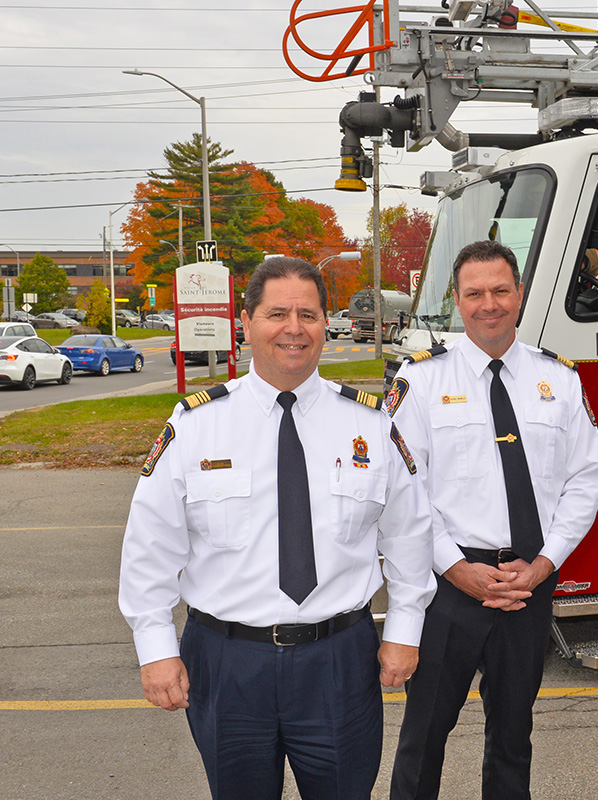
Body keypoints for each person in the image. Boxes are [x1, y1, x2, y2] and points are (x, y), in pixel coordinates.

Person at [118, 256, 435, 800]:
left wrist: (404, 632)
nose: (293, 328)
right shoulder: (197, 424)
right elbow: (150, 544)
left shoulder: (370, 423)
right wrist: (155, 647)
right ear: (247, 323)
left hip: (338, 660)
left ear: (324, 322)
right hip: (227, 661)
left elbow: (409, 536)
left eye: (308, 314)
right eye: (277, 313)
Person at [386, 240, 598, 800]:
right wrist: (456, 568)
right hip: (450, 590)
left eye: (500, 290)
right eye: (475, 293)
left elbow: (586, 479)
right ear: (457, 301)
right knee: (424, 737)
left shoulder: (558, 379)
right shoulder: (421, 382)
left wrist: (543, 564)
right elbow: (403, 491)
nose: (490, 304)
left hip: (528, 586)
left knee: (513, 735)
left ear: (520, 294)